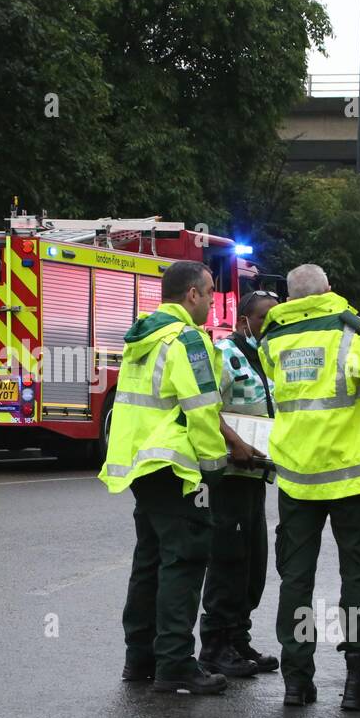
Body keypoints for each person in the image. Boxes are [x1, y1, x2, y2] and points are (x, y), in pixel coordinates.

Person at [258, 264, 360, 709]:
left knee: (295, 578)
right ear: (329, 290)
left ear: (288, 298)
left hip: (296, 475)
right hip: (352, 474)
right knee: (358, 577)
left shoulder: (273, 338)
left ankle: (296, 682)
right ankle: (358, 681)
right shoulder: (353, 331)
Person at [99, 260, 230, 694]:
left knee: (149, 562)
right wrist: (215, 468)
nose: (212, 301)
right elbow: (201, 409)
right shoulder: (186, 339)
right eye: (210, 292)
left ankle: (140, 659)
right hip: (175, 468)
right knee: (185, 561)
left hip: (143, 466)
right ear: (192, 294)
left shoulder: (143, 336)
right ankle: (174, 662)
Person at [199, 290, 280, 678]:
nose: (271, 326)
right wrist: (235, 442)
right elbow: (205, 407)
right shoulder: (223, 354)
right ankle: (215, 645)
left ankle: (238, 638)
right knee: (228, 560)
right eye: (265, 319)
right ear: (245, 319)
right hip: (229, 474)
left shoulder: (266, 357)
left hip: (256, 473)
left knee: (252, 563)